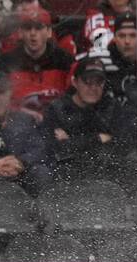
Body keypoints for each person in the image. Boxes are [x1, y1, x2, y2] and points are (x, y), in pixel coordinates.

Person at [41, 52, 128, 185]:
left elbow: (122, 143)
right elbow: (53, 149)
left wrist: (73, 140)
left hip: (106, 172)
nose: (93, 88)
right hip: (69, 175)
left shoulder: (112, 107)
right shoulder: (57, 109)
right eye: (87, 81)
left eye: (99, 82)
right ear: (75, 82)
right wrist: (98, 138)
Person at [0, 7, 72, 119]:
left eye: (39, 27)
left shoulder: (66, 61)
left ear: (49, 32)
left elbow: (73, 101)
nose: (33, 33)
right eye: (28, 28)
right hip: (19, 121)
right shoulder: (4, 63)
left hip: (57, 120)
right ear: (20, 33)